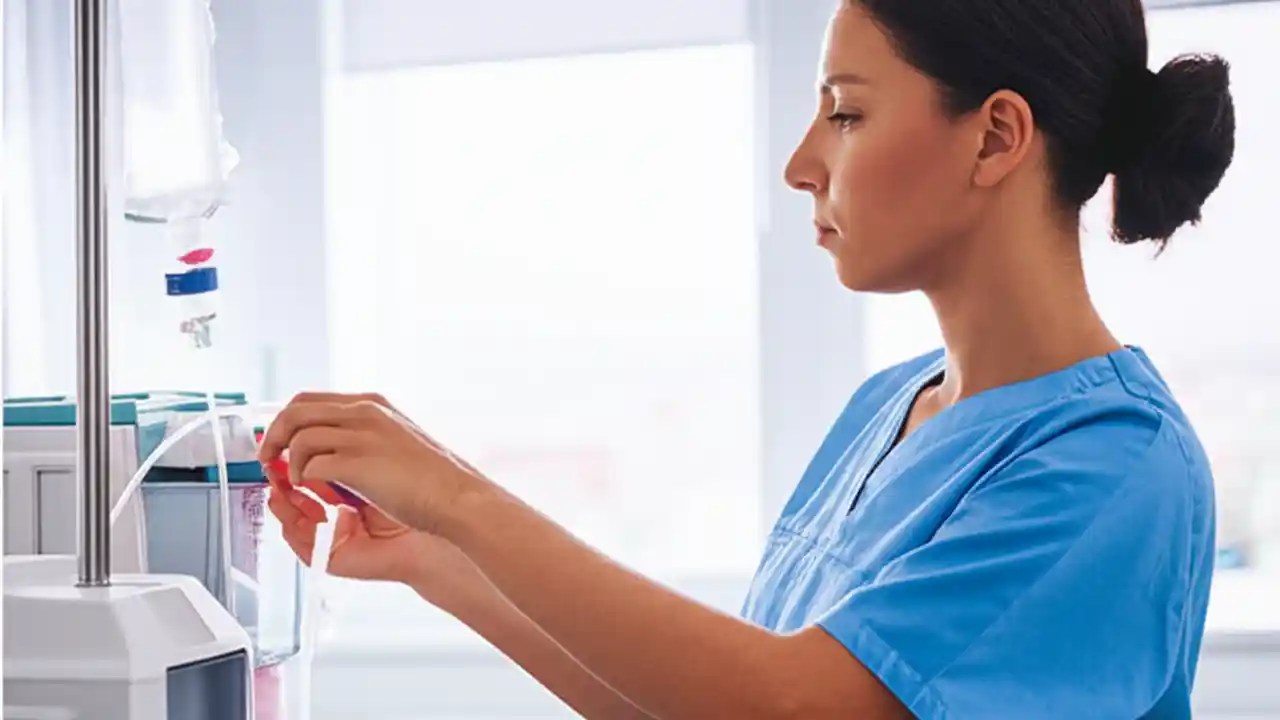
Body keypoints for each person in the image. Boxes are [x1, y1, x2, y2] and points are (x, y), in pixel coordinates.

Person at [262, 0, 1235, 716]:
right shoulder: (889, 408)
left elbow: (789, 705)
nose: (801, 164)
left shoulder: (1114, 465)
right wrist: (437, 557)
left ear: (994, 137)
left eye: (845, 113)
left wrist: (459, 497)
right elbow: (703, 703)